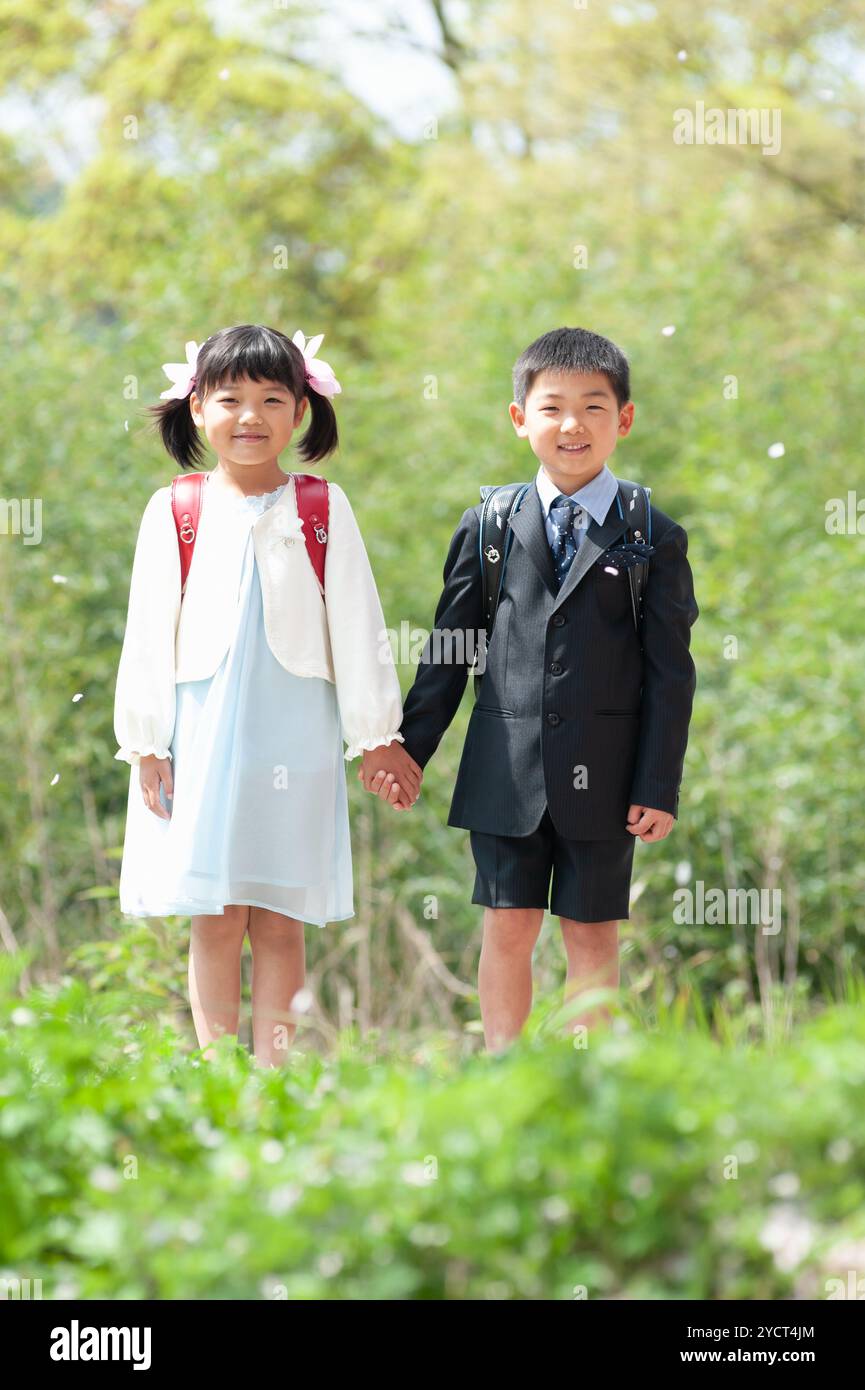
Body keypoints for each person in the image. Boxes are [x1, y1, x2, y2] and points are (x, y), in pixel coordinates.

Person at [360, 326, 698, 1051]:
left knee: (591, 932)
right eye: (551, 407)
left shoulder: (651, 534)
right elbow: (450, 651)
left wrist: (657, 784)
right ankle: (502, 1070)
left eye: (592, 407)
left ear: (624, 419)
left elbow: (672, 674)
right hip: (503, 771)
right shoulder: (487, 525)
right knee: (508, 924)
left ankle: (586, 1081)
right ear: (520, 419)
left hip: (607, 778)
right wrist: (406, 748)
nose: (571, 425)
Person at [113, 323, 421, 1066]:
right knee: (215, 916)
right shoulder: (176, 509)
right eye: (230, 399)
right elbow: (149, 632)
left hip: (295, 735)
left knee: (280, 917)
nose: (249, 416)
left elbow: (356, 623)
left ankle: (275, 1076)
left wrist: (377, 732)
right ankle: (222, 1075)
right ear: (196, 408)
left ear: (300, 411)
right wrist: (147, 744)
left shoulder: (320, 507)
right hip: (202, 732)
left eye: (270, 399)